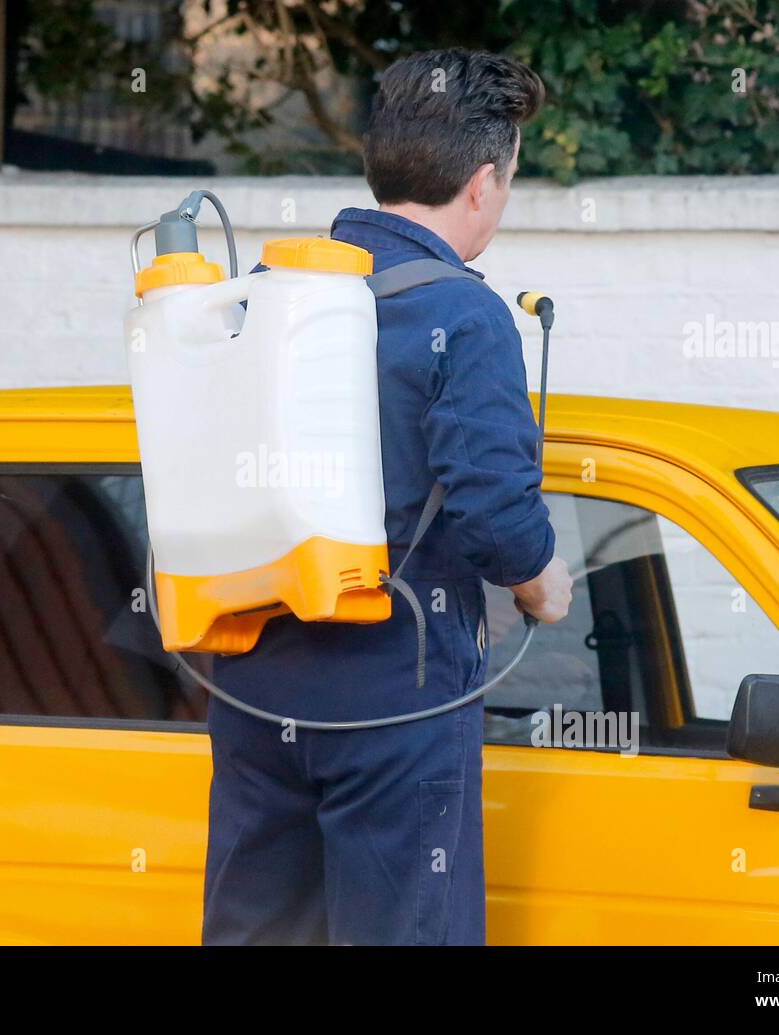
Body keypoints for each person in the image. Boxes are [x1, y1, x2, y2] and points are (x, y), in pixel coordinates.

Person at [203, 48, 573, 946]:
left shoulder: (266, 296)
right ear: (484, 182)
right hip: (396, 702)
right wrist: (541, 579)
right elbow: (493, 508)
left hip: (254, 690)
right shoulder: (468, 315)